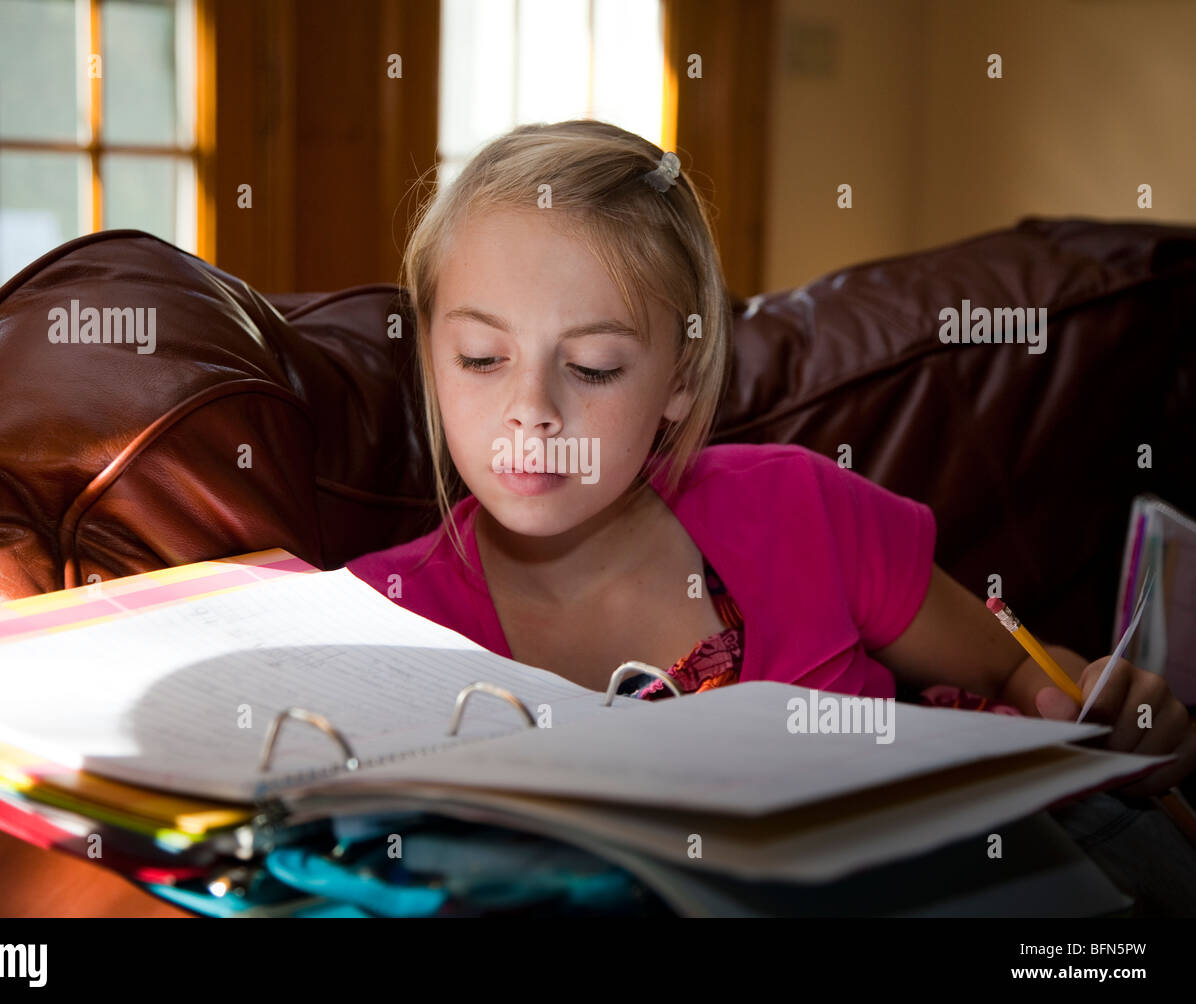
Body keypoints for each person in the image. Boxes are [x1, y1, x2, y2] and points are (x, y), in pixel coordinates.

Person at [345, 119, 1196, 912]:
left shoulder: (801, 511)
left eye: (595, 366)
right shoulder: (379, 618)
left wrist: (1105, 706)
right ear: (428, 356)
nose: (531, 410)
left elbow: (1013, 673)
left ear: (680, 380)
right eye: (482, 358)